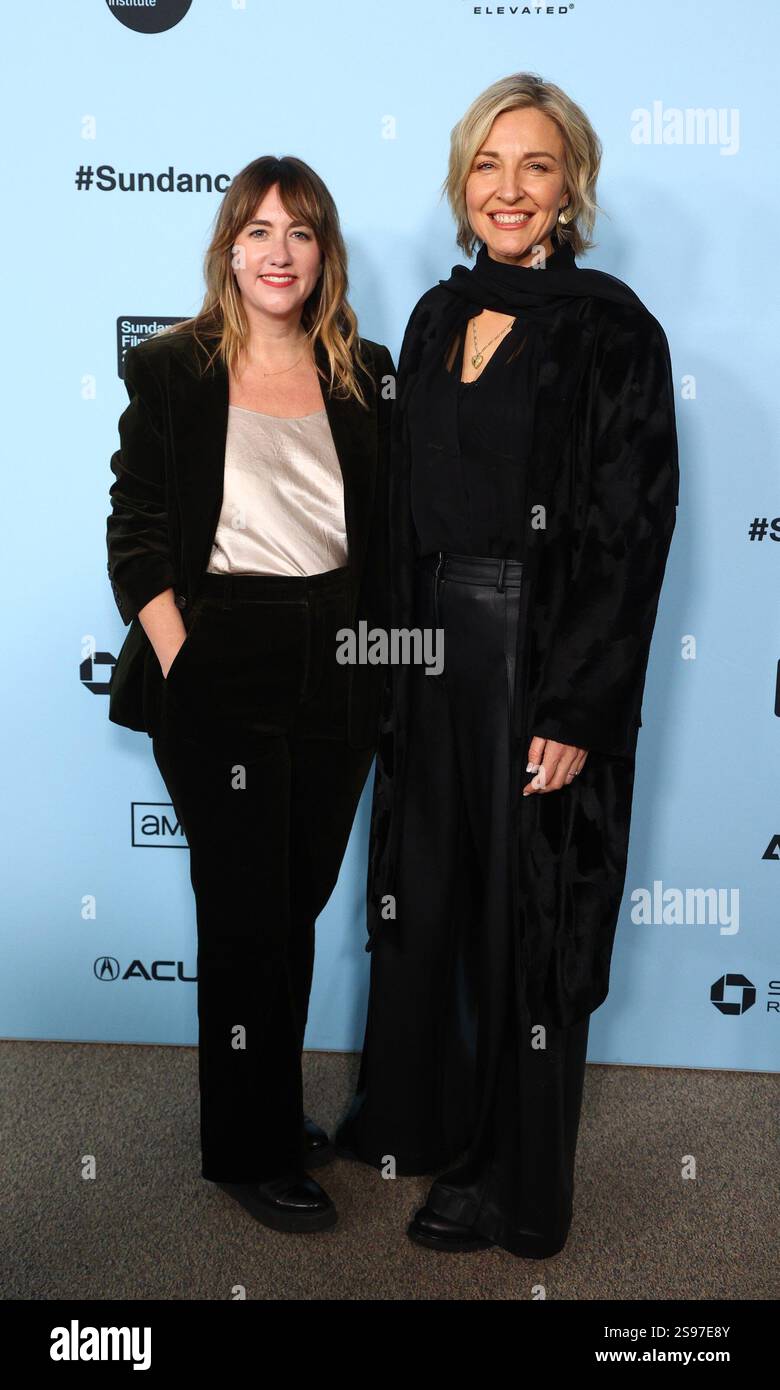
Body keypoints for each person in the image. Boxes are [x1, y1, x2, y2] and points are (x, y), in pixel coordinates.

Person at [336, 73, 680, 1258]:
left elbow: (630, 534)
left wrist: (579, 702)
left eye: (535, 166)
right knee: (424, 892)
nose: (509, 189)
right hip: (426, 647)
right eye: (489, 165)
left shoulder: (613, 329)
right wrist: (380, 657)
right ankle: (416, 1115)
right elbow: (398, 514)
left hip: (533, 656)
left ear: (570, 185)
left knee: (520, 914)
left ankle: (507, 1176)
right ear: (462, 181)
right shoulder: (435, 320)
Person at [106, 156, 395, 1234]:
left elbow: (387, 540)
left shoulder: (365, 372)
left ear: (325, 253)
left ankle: (267, 1103)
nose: (280, 250)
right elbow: (134, 534)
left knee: (296, 906)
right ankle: (246, 1146)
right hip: (220, 655)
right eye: (259, 229)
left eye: (301, 231)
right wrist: (188, 661)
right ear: (230, 248)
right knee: (242, 920)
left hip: (340, 662)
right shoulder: (175, 369)